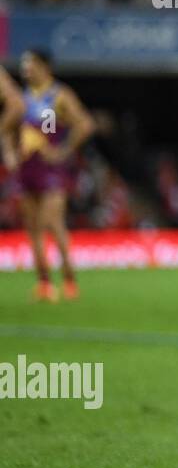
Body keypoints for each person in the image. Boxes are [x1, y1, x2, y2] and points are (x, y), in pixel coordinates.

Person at [12, 49, 94, 302]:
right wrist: (12, 151)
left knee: (52, 222)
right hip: (28, 166)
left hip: (51, 168)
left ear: (45, 66)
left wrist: (63, 150)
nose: (26, 69)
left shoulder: (58, 95)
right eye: (24, 64)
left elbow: (85, 124)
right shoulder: (22, 98)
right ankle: (44, 284)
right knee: (33, 227)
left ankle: (69, 281)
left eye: (31, 64)